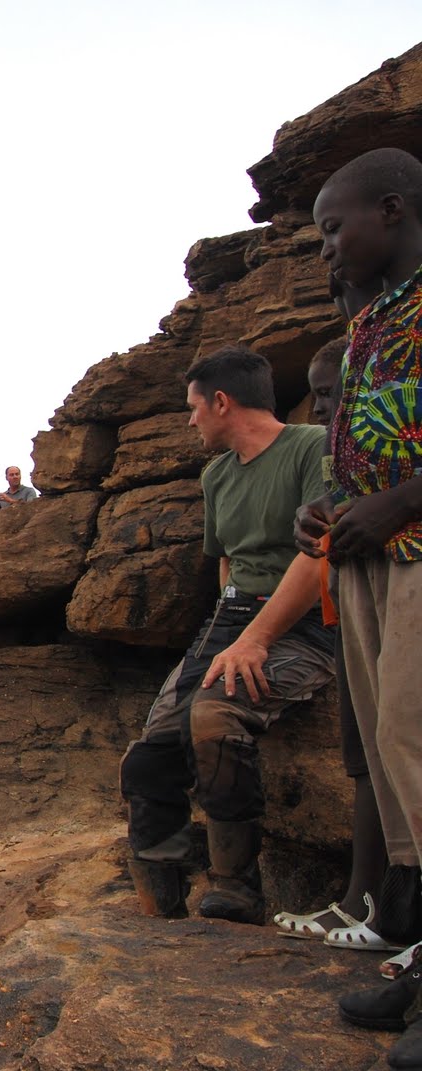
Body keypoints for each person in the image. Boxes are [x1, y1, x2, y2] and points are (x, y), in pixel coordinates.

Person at [120, 345, 334, 925]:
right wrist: (227, 631)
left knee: (213, 719)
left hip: (306, 621)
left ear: (221, 401)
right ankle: (162, 896)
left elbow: (320, 557)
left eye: (193, 407)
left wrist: (256, 638)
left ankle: (236, 888)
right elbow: (226, 566)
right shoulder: (216, 476)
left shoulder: (312, 448)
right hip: (234, 618)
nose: (190, 420)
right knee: (150, 752)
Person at [292, 147, 422, 1064]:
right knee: (393, 755)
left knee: (419, 740)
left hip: (416, 549)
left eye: (335, 230)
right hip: (369, 560)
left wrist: (403, 500)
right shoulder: (376, 317)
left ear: (394, 209)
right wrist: (334, 507)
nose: (327, 250)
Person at [273, 331, 393, 950]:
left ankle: (373, 905)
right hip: (346, 614)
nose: (319, 409)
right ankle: (366, 904)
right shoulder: (340, 461)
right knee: (366, 760)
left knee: (384, 756)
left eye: (329, 395)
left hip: (375, 612)